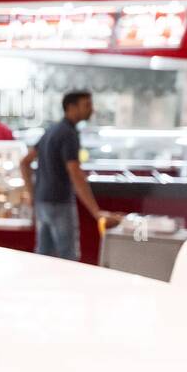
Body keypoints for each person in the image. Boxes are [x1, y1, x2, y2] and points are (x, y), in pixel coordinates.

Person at [20, 91, 123, 261]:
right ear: (71, 107)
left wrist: (32, 194)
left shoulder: (52, 130)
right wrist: (96, 212)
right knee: (68, 256)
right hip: (60, 202)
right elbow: (75, 172)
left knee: (43, 255)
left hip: (42, 202)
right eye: (87, 105)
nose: (91, 110)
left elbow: (24, 162)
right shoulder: (69, 133)